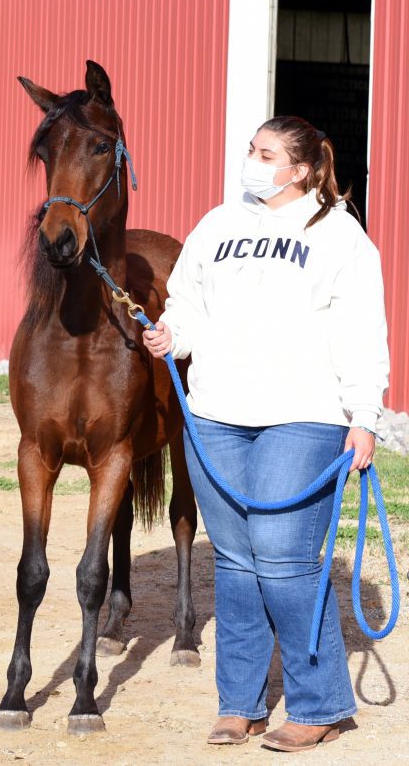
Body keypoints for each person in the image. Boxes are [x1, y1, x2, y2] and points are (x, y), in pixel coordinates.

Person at [142, 116, 387, 752]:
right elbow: (187, 303)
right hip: (218, 413)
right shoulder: (219, 224)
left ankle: (320, 703)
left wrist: (364, 416)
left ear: (301, 170)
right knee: (236, 563)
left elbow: (362, 331)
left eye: (264, 152)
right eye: (251, 149)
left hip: (302, 414)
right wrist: (173, 336)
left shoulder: (339, 237)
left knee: (283, 560)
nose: (250, 159)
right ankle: (240, 704)